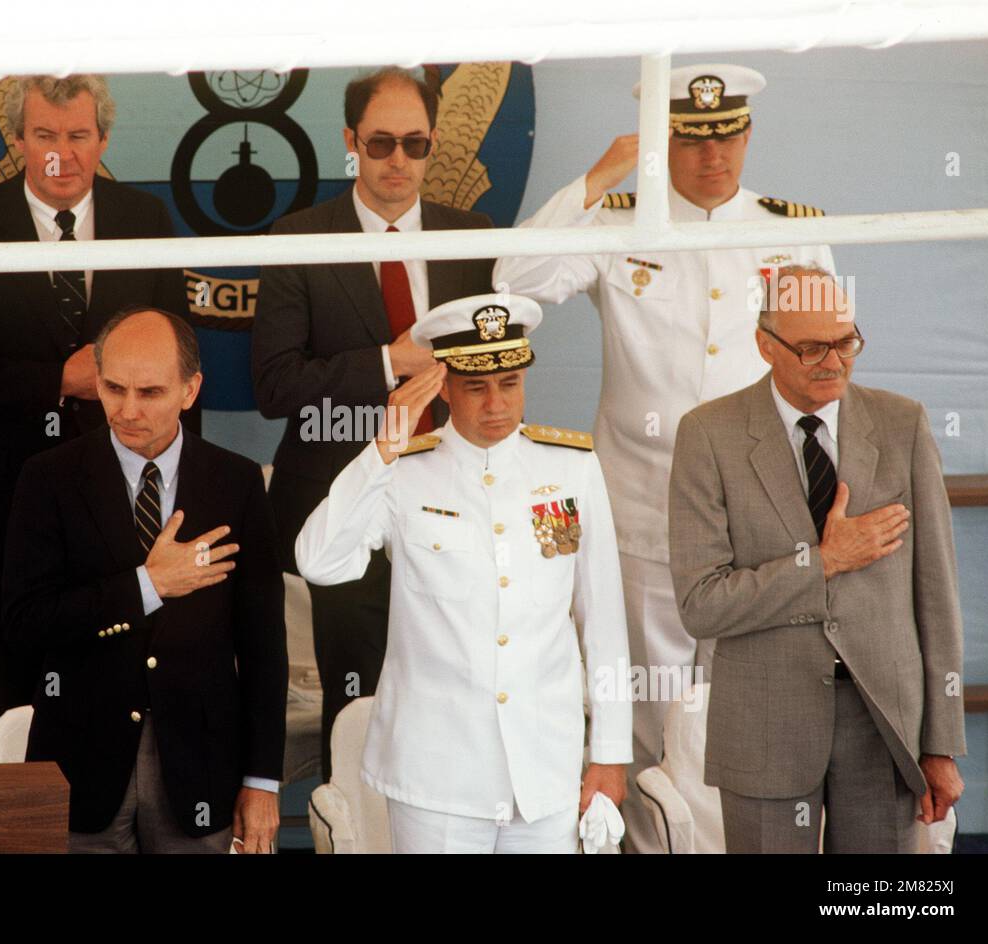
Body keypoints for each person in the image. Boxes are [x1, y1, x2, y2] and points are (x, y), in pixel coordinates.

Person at [492, 63, 836, 852]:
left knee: (749, 719)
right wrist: (605, 172)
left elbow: (824, 374)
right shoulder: (619, 223)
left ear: (746, 135)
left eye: (725, 137)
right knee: (643, 722)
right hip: (641, 521)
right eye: (686, 139)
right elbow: (517, 280)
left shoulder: (790, 232)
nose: (710, 157)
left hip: (758, 527)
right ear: (660, 143)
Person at [0, 74, 194, 763]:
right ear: (18, 140)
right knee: (7, 727)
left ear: (103, 139)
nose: (59, 156)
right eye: (43, 137)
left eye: (76, 137)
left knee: (116, 727)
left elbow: (183, 373)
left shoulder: (148, 223)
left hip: (122, 521)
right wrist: (57, 381)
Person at [296, 293, 632, 853]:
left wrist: (611, 753)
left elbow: (603, 619)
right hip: (438, 775)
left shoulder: (570, 467)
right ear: (443, 385)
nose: (497, 404)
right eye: (476, 387)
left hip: (544, 766)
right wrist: (382, 447)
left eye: (511, 383)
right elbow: (319, 561)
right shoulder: (403, 472)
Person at [667, 266, 966, 852]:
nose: (834, 361)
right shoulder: (708, 434)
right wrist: (822, 562)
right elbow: (701, 605)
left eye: (846, 342)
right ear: (764, 346)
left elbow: (938, 598)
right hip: (764, 728)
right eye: (810, 348)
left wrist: (940, 743)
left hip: (887, 730)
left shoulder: (902, 423)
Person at [253, 66, 494, 779]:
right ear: (350, 142)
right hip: (340, 501)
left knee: (452, 685)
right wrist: (390, 359)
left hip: (452, 502)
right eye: (380, 142)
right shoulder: (298, 238)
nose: (397, 160)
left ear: (433, 145)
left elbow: (492, 375)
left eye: (414, 144)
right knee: (355, 697)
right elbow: (274, 385)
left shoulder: (470, 236)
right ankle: (350, 828)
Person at [3, 307, 287, 853]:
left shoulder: (238, 482)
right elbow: (24, 626)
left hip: (201, 769)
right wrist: (148, 585)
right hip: (79, 767)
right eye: (113, 388)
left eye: (150, 392)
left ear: (190, 389)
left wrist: (260, 782)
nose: (127, 410)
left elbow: (263, 648)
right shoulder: (48, 479)